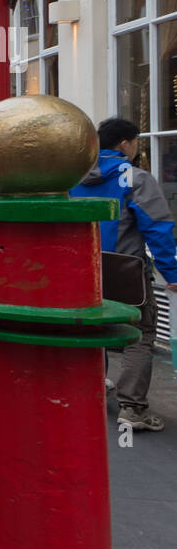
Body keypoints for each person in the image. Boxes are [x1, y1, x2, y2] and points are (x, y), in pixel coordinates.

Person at [70, 117, 177, 432]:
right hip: (124, 269)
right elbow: (157, 228)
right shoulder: (136, 178)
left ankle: (93, 389)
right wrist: (171, 272)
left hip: (81, 268)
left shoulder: (73, 178)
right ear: (124, 144)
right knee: (139, 335)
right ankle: (132, 408)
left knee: (92, 330)